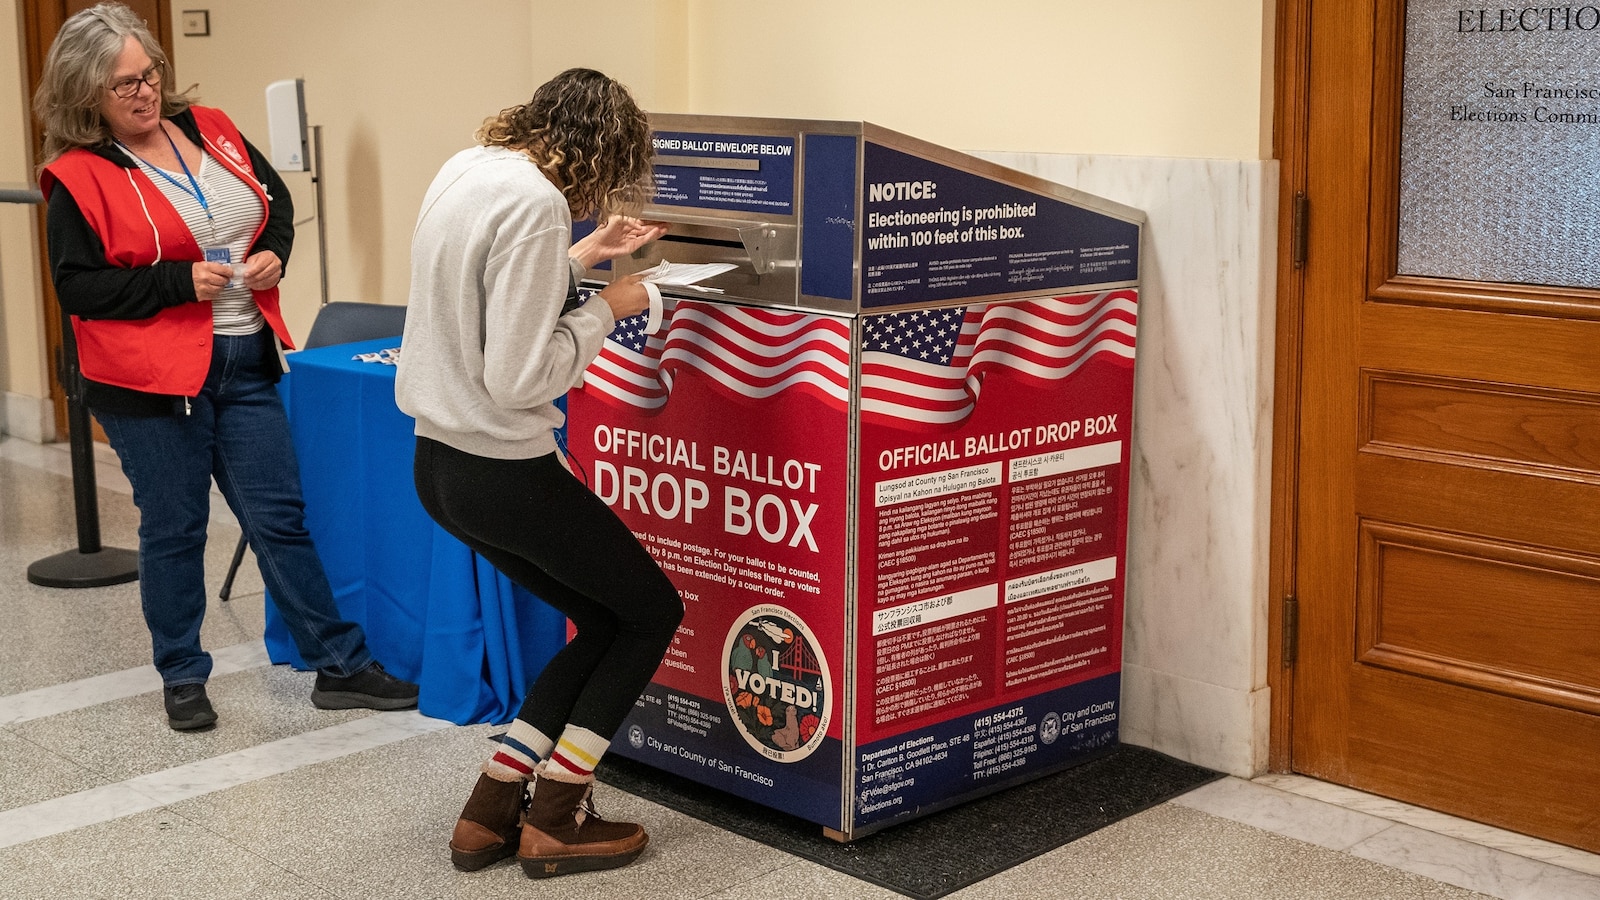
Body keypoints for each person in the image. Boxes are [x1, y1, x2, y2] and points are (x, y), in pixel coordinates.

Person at [34, 2, 418, 731]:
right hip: (150, 381)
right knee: (174, 528)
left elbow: (270, 205)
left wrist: (277, 251)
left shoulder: (211, 127)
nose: (145, 92)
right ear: (87, 94)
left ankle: (339, 665)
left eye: (148, 74)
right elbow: (75, 287)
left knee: (280, 518)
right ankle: (182, 674)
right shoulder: (78, 177)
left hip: (246, 356)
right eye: (124, 85)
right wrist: (176, 283)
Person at [395, 68, 682, 879]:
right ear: (597, 149)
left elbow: (483, 292)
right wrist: (609, 307)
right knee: (651, 611)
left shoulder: (469, 167)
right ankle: (557, 815)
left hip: (439, 464)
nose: (597, 194)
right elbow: (520, 375)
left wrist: (583, 255)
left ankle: (492, 810)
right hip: (503, 469)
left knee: (603, 618)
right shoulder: (535, 202)